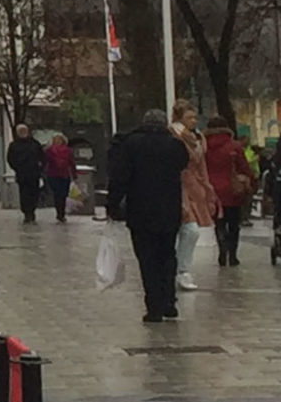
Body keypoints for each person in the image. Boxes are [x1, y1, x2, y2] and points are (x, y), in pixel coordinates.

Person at [107, 108, 193, 323]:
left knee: (147, 259)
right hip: (168, 210)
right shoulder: (174, 145)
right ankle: (169, 302)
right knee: (167, 255)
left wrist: (112, 204)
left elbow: (120, 177)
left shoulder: (131, 144)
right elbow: (184, 163)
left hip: (140, 210)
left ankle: (153, 306)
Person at [172, 103, 217, 290]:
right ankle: (180, 270)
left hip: (193, 187)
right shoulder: (174, 136)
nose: (193, 121)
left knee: (188, 230)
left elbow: (201, 166)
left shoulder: (197, 138)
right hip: (178, 186)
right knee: (189, 230)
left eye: (194, 117)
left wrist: (207, 189)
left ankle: (180, 269)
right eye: (189, 117)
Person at [205, 116, 253, 266]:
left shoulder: (204, 146)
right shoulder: (234, 146)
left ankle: (222, 250)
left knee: (219, 223)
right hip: (232, 190)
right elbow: (244, 167)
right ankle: (233, 255)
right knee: (233, 223)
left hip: (212, 190)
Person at [6, 123, 45, 222]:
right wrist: (16, 168)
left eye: (24, 131)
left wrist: (40, 168)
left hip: (34, 173)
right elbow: (10, 159)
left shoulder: (35, 143)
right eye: (21, 131)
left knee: (34, 193)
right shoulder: (14, 145)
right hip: (22, 173)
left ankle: (32, 210)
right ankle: (27, 212)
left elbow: (42, 157)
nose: (23, 133)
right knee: (24, 193)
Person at [42, 130, 75, 221]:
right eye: (55, 139)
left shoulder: (68, 151)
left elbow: (71, 162)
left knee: (63, 194)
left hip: (65, 175)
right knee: (57, 194)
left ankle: (62, 212)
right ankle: (59, 213)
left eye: (59, 139)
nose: (57, 141)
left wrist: (74, 173)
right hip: (53, 175)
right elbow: (45, 162)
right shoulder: (49, 151)